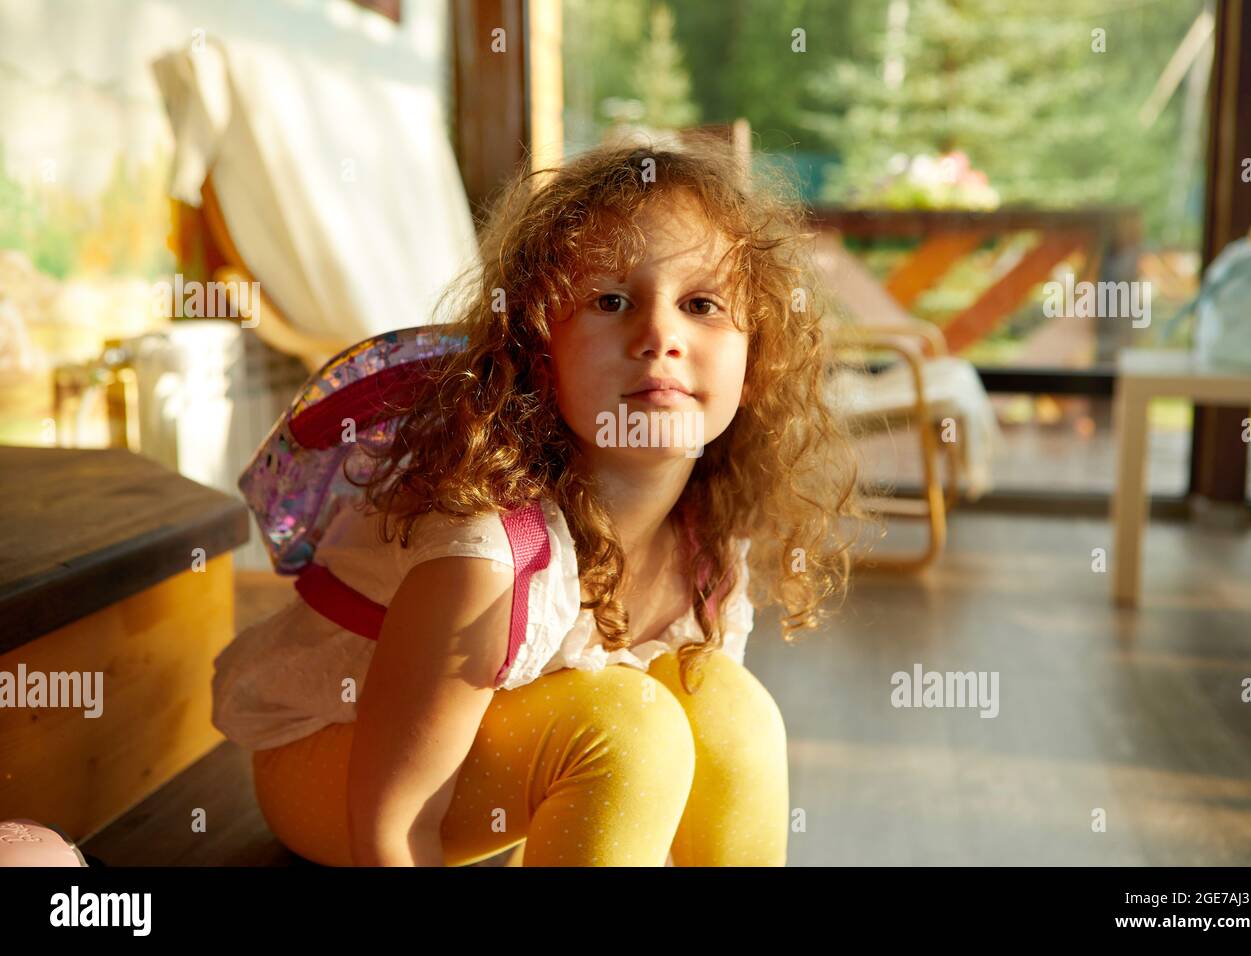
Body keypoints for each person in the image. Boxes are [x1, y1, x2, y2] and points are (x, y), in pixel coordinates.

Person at [212, 136, 864, 866]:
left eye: (702, 304)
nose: (659, 336)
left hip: (499, 749)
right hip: (337, 766)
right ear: (537, 347)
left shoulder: (704, 541)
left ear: (757, 360)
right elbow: (393, 823)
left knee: (730, 708)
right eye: (610, 301)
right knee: (630, 728)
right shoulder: (484, 555)